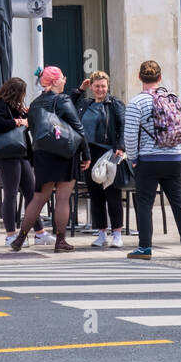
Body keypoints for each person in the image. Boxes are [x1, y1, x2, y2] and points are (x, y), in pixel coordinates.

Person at [123, 60, 181, 259]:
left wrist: (133, 158)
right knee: (177, 202)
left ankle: (145, 247)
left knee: (145, 202)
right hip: (173, 158)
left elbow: (129, 135)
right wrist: (177, 152)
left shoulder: (136, 103)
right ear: (160, 78)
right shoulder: (174, 100)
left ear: (139, 77)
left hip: (148, 159)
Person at [9, 67, 87, 253]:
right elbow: (78, 128)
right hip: (65, 154)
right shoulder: (62, 100)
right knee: (62, 199)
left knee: (39, 198)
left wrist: (79, 92)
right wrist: (87, 154)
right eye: (62, 78)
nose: (65, 81)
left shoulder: (35, 104)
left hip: (43, 155)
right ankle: (60, 241)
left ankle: (20, 238)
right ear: (54, 82)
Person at [0, 77, 50, 246]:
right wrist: (18, 121)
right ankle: (10, 235)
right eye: (22, 93)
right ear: (16, 93)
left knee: (31, 193)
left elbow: (26, 124)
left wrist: (25, 115)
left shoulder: (14, 106)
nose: (23, 96)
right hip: (6, 155)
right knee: (11, 193)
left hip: (20, 154)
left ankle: (40, 233)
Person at [72, 71, 127, 248]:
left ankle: (117, 233)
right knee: (95, 195)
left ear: (108, 86)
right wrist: (80, 89)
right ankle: (101, 232)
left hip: (109, 153)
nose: (100, 89)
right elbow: (68, 105)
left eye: (103, 86)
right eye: (96, 86)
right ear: (92, 87)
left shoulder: (114, 104)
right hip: (88, 154)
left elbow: (124, 125)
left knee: (112, 193)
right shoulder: (85, 104)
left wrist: (120, 146)